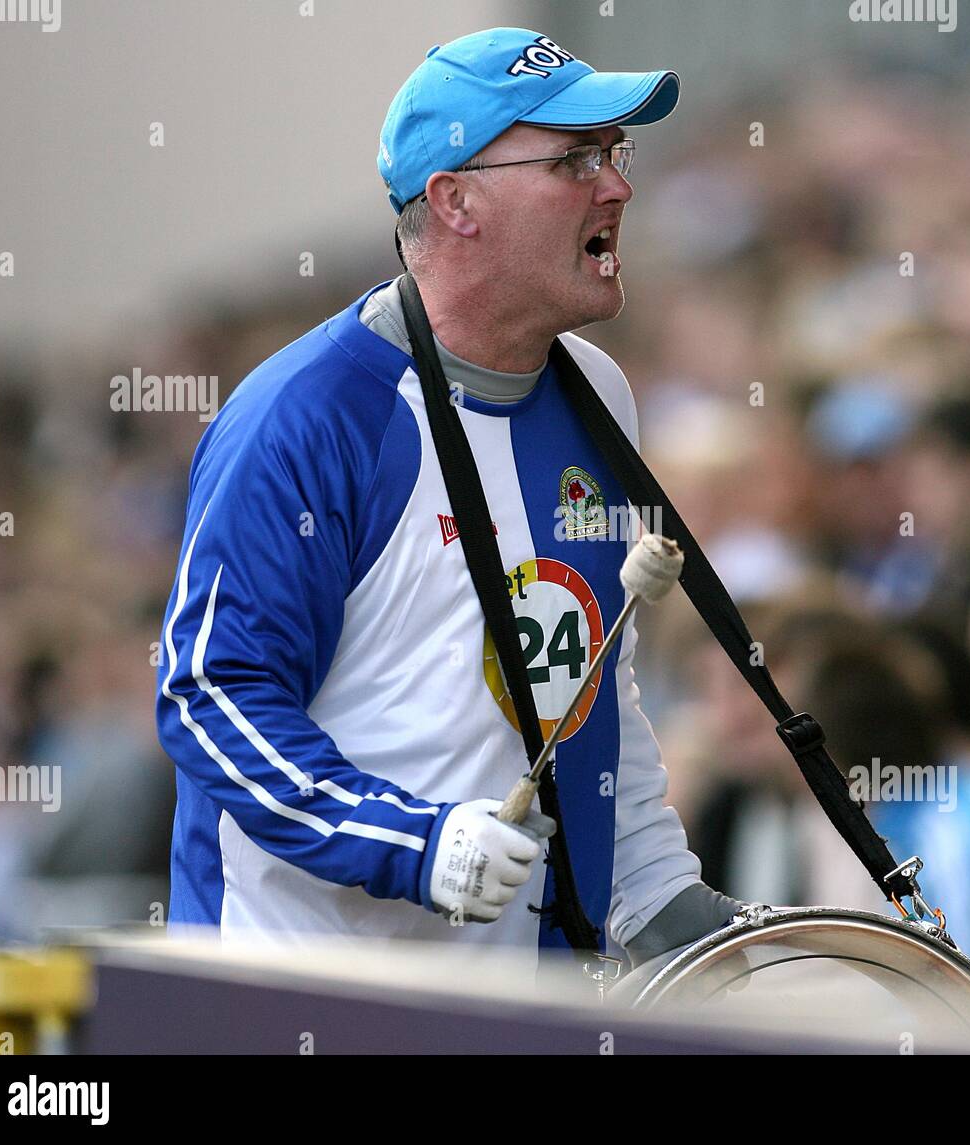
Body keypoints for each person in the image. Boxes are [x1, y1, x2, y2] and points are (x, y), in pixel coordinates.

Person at [155, 28, 741, 973]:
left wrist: (659, 892)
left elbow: (592, 699)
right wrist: (410, 843)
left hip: (522, 1008)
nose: (618, 186)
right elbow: (210, 699)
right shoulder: (303, 415)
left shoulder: (601, 391)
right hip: (296, 999)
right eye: (575, 159)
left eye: (614, 153)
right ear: (455, 200)